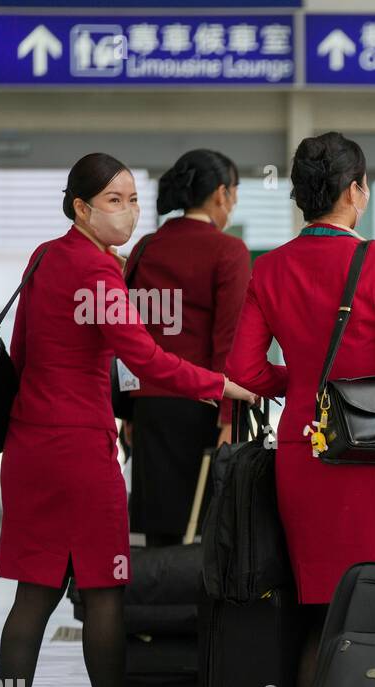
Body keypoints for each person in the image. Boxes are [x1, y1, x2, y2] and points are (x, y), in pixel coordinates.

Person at [0, 152, 257, 687]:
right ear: (82, 208)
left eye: (134, 199)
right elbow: (149, 359)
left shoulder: (44, 258)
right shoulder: (99, 274)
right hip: (80, 452)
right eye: (114, 200)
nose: (130, 212)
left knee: (34, 593)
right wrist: (222, 386)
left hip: (30, 446)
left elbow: (23, 351)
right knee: (106, 589)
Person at [226, 132, 375, 687]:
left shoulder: (271, 267)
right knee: (372, 602)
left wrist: (303, 384)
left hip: (303, 451)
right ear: (356, 191)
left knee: (317, 608)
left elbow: (245, 370)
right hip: (373, 452)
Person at [125, 148, 252, 545]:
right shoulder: (228, 251)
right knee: (212, 534)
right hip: (205, 408)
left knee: (162, 535)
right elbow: (228, 342)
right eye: (233, 192)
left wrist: (128, 410)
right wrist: (230, 420)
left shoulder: (145, 248)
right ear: (220, 193)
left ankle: (163, 605)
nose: (232, 202)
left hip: (148, 407)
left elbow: (130, 337)